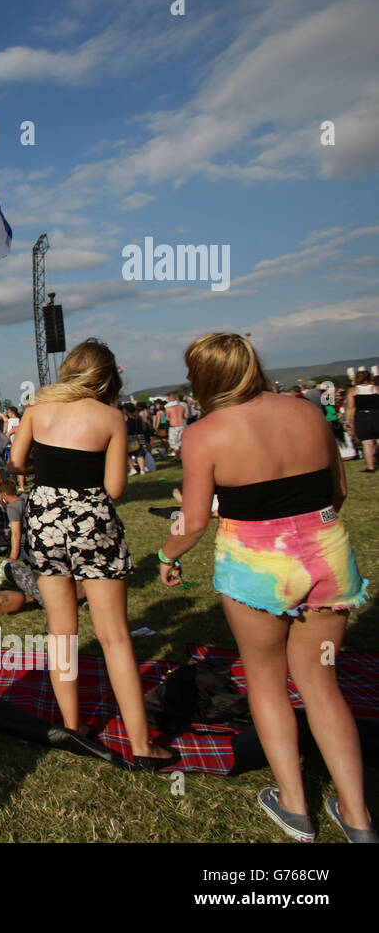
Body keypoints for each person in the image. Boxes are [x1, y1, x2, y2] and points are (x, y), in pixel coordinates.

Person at [158, 334, 374, 842]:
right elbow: (337, 489)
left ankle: (295, 806)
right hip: (327, 558)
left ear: (203, 379)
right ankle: (359, 818)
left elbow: (191, 523)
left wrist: (168, 556)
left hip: (255, 566)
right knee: (321, 682)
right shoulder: (305, 412)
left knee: (267, 680)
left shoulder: (204, 433)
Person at [8, 338, 176, 770]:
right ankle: (141, 745)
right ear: (105, 376)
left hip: (44, 521)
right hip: (94, 523)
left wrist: (47, 473)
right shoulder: (111, 418)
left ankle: (73, 726)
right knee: (115, 635)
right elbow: (116, 488)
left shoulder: (36, 410)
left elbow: (16, 463)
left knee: (61, 630)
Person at [344, 370, 378, 472]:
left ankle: (370, 466)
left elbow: (350, 408)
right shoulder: (376, 389)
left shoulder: (353, 391)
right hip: (377, 415)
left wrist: (347, 421)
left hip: (362, 417)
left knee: (367, 443)